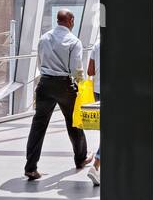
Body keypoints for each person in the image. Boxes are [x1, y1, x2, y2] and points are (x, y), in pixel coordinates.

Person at [24, 10, 91, 181]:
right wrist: (81, 84)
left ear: (58, 20)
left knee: (38, 125)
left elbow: (40, 61)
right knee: (74, 122)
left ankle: (31, 167)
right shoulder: (74, 41)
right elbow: (76, 68)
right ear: (71, 20)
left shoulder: (44, 37)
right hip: (64, 85)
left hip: (45, 83)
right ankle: (80, 158)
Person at [86, 39, 102, 187]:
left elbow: (90, 71)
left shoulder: (97, 44)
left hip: (98, 90)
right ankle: (96, 164)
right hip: (117, 88)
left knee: (106, 128)